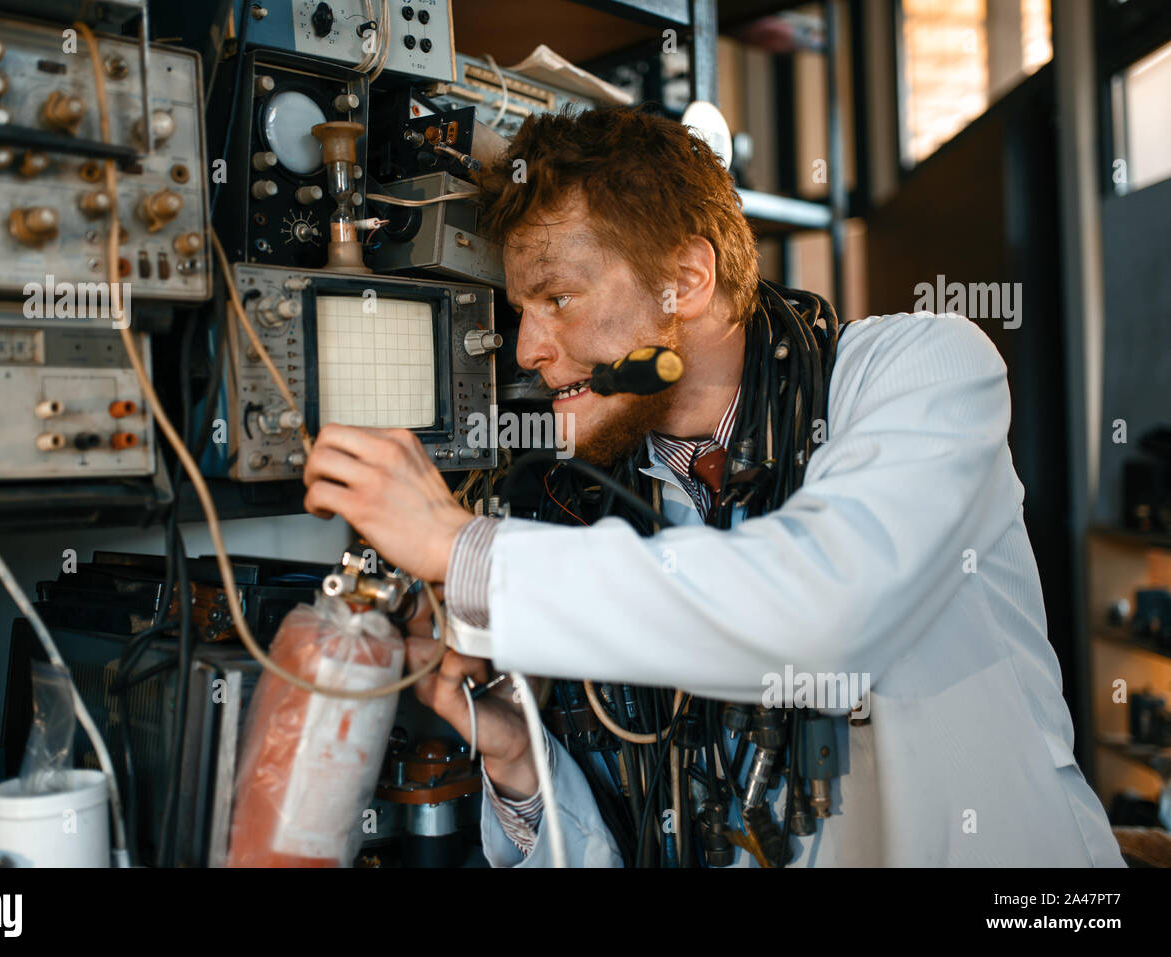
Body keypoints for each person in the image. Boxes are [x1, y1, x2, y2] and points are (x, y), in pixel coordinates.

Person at [302, 107, 1123, 867]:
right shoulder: (590, 508)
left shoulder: (922, 371)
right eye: (522, 309)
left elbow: (825, 608)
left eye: (556, 298)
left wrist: (461, 546)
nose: (526, 349)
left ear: (687, 279)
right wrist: (522, 761)